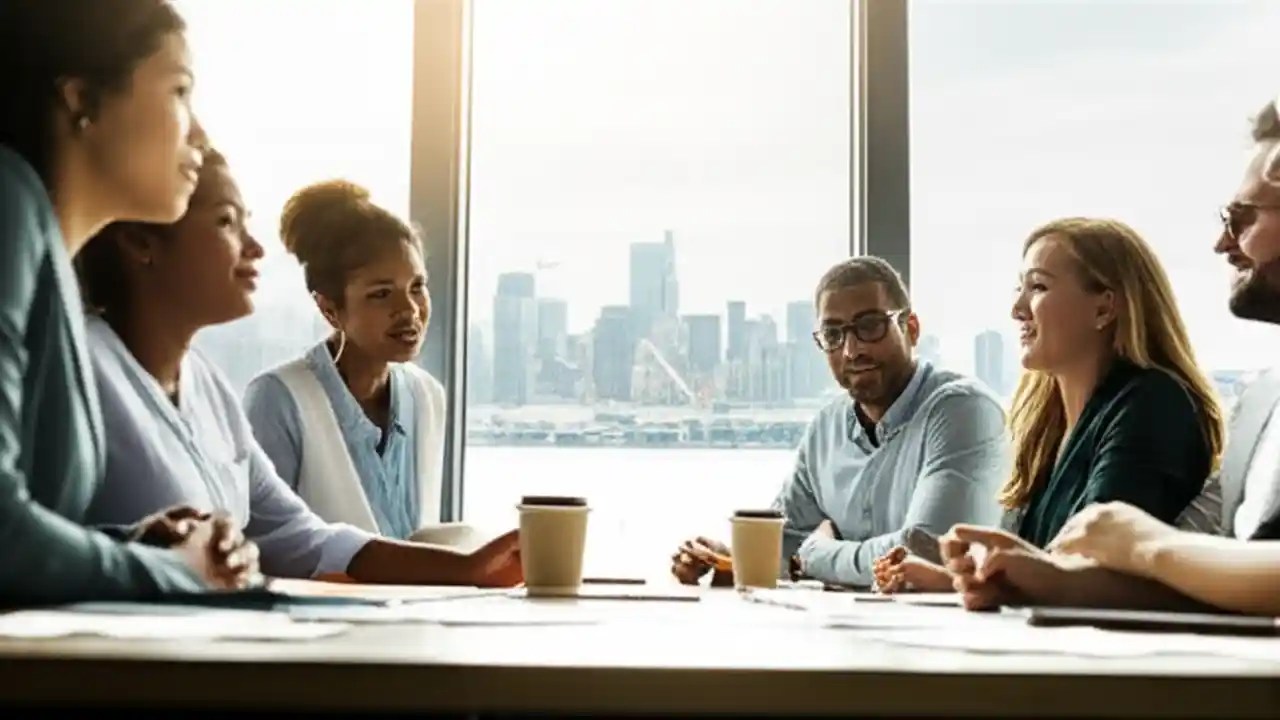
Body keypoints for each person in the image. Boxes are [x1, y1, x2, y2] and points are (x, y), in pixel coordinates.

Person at [79, 151, 523, 586]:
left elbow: (295, 534)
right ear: (141, 244)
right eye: (226, 222)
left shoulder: (207, 388)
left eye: (417, 287)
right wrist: (138, 552)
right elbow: (22, 539)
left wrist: (469, 569)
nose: (254, 247)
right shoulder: (78, 373)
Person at [940, 96, 1280, 616]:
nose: (1220, 243)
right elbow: (1216, 594)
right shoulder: (1264, 405)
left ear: (1106, 308)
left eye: (1241, 216)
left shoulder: (1152, 404)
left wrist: (1143, 544)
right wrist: (1000, 579)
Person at [0, 0, 257, 605]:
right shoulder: (8, 200)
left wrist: (138, 547)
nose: (199, 133)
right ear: (82, 99)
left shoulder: (50, 264)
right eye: (180, 91)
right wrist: (182, 574)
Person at [876, 218, 1224, 595]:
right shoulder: (1051, 425)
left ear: (1104, 309)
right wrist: (946, 580)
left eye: (1038, 286)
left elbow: (1096, 568)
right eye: (1019, 288)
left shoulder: (1153, 404)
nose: (1017, 308)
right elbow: (1051, 570)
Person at [670, 257, 1009, 588]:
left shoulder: (963, 410)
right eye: (833, 334)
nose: (851, 350)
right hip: (854, 635)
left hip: (953, 635)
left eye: (870, 326)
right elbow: (785, 544)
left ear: (911, 328)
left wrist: (817, 557)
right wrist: (729, 559)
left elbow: (926, 553)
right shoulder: (826, 428)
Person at [242, 181, 444, 541]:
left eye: (417, 286)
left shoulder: (426, 397)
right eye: (381, 294)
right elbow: (263, 547)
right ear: (329, 308)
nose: (410, 310)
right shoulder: (278, 400)